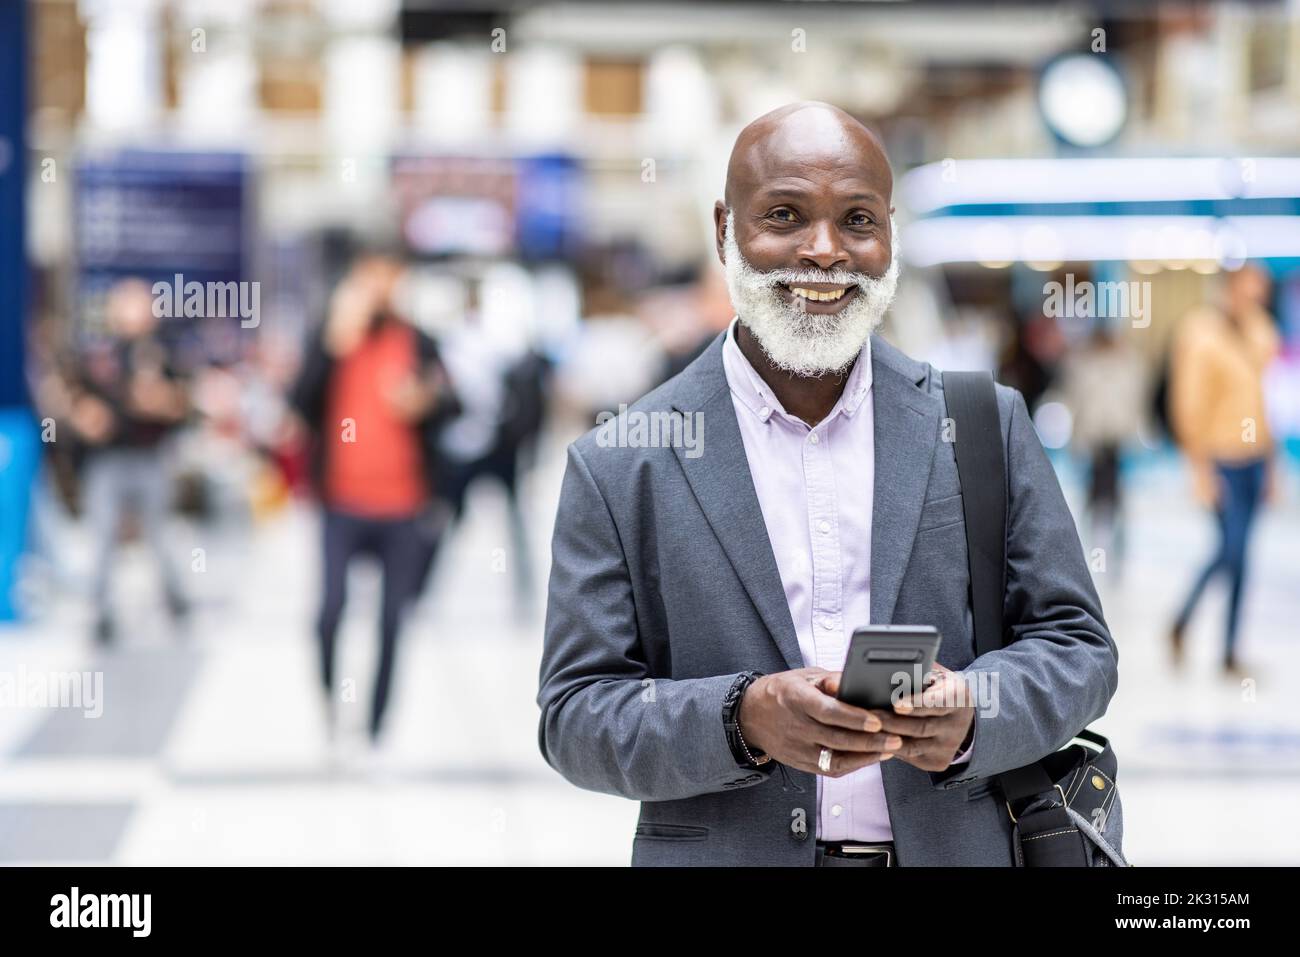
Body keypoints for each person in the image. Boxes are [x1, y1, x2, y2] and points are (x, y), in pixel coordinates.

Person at [536, 102, 1117, 866]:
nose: (823, 251)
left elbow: (1079, 649)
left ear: (890, 236)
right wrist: (741, 718)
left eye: (857, 220)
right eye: (784, 214)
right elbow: (575, 716)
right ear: (723, 231)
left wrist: (976, 709)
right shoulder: (622, 462)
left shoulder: (981, 425)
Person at [289, 253, 459, 747]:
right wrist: (331, 344)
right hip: (341, 501)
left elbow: (454, 401)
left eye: (390, 278)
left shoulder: (418, 340)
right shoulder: (335, 338)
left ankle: (376, 726)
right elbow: (299, 405)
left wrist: (426, 402)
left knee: (392, 619)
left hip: (404, 504)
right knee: (330, 610)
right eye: (371, 278)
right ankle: (329, 703)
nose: (381, 289)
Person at [1167, 263, 1281, 678]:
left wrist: (1272, 465)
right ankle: (1182, 620)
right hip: (1220, 460)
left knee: (1243, 556)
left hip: (1254, 459)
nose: (1257, 296)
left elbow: (1263, 404)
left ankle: (1229, 650)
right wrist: (1199, 468)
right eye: (1251, 287)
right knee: (1230, 549)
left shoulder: (1261, 331)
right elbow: (1188, 404)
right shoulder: (1199, 333)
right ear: (1231, 287)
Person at [67, 278, 191, 645]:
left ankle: (176, 599)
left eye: (142, 305)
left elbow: (183, 404)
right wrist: (84, 417)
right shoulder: (97, 353)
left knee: (159, 535)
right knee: (103, 537)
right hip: (107, 459)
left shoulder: (163, 353)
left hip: (150, 457)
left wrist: (163, 401)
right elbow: (73, 399)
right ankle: (101, 612)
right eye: (128, 305)